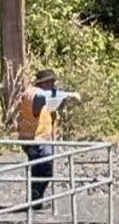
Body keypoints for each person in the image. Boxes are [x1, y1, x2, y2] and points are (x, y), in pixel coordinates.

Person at [16, 69, 80, 210]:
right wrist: (67, 94)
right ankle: (35, 200)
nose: (53, 85)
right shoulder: (33, 93)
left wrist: (62, 99)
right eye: (50, 82)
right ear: (43, 83)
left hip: (41, 139)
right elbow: (41, 99)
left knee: (40, 170)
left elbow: (54, 107)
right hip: (33, 139)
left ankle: (36, 201)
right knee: (44, 169)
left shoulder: (45, 96)